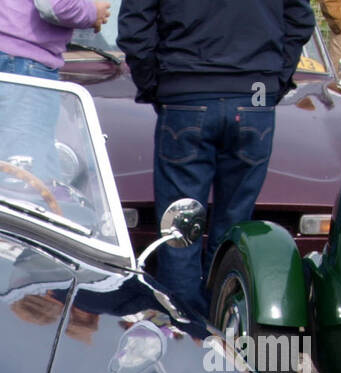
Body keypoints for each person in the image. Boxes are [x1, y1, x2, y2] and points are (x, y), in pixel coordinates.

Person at [119, 1, 313, 319]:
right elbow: (300, 19)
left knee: (180, 226)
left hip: (187, 91)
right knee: (235, 223)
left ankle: (186, 330)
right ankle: (227, 321)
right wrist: (272, 82)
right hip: (253, 93)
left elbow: (134, 27)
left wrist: (160, 85)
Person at [0, 1, 111, 183]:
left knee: (29, 169)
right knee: (25, 178)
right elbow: (55, 6)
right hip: (22, 55)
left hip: (9, 51)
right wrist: (93, 12)